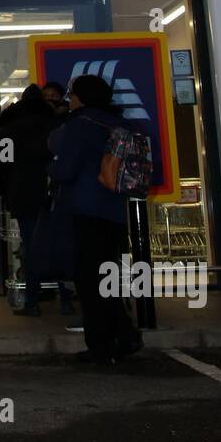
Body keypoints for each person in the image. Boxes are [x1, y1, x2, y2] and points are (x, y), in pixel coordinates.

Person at [48, 75, 141, 364]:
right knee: (106, 278)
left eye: (73, 94)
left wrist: (50, 168)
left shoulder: (81, 124)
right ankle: (124, 335)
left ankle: (101, 345)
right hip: (113, 210)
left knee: (89, 281)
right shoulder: (117, 122)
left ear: (82, 97)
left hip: (85, 210)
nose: (69, 99)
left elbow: (66, 169)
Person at [0, 84, 75, 317]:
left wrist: (4, 190)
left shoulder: (9, 132)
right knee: (59, 246)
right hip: (53, 194)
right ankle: (65, 300)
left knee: (31, 246)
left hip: (22, 194)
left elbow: (0, 164)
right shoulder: (55, 126)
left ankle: (31, 301)